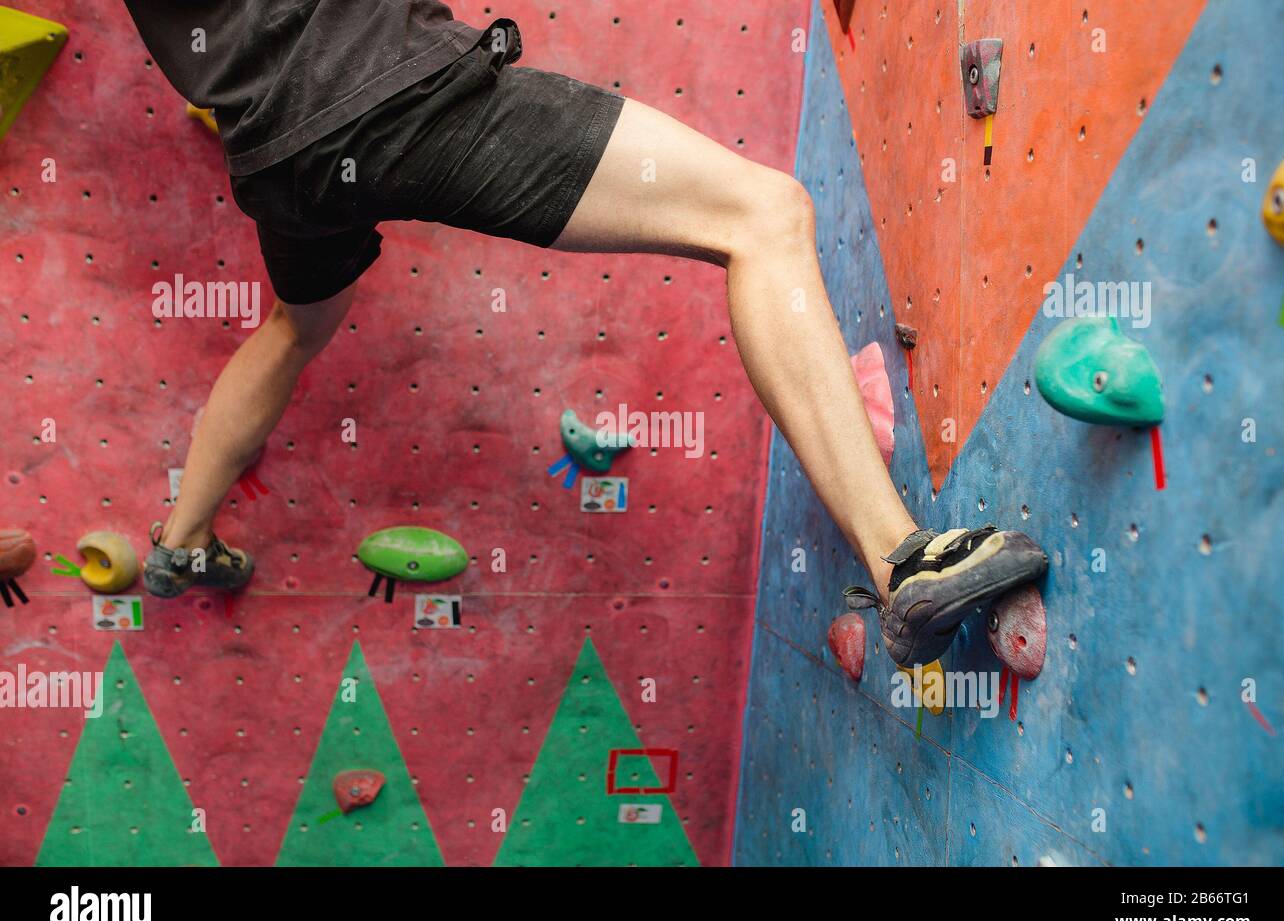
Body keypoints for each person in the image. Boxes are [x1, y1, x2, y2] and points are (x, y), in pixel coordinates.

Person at [128, 2, 1046, 666]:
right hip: (387, 92)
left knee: (295, 328)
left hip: (282, 156)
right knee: (763, 216)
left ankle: (183, 536)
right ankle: (902, 562)